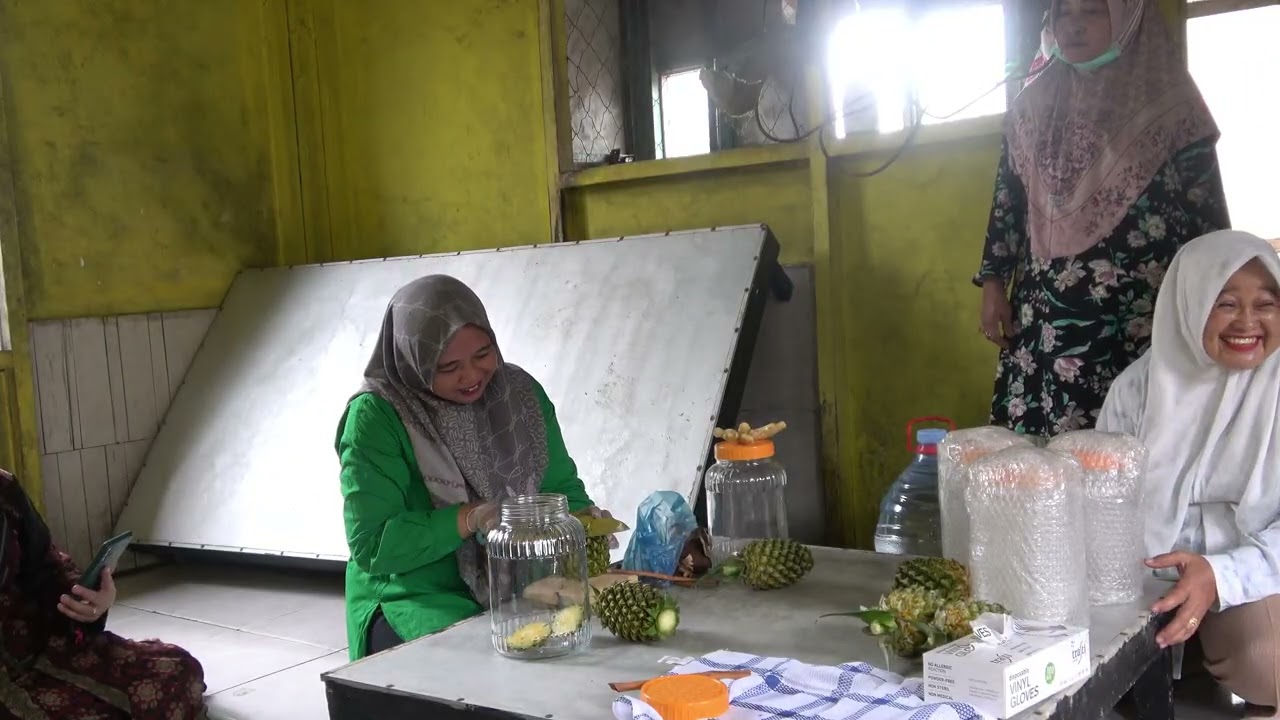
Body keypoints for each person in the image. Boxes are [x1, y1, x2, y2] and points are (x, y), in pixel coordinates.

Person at [975, 0, 1230, 438]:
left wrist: (1222, 295)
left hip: (1143, 312)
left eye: (1092, 11)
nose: (1073, 26)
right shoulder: (1029, 107)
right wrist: (994, 285)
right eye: (1064, 13)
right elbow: (1008, 203)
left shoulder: (1170, 100)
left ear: (1127, 17)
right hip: (1048, 316)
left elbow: (1207, 212)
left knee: (1142, 439)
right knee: (1056, 454)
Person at [336, 274, 612, 661]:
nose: (470, 377)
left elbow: (560, 485)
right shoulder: (376, 416)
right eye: (448, 367)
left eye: (483, 355)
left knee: (580, 646)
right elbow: (373, 544)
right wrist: (471, 517)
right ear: (412, 361)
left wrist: (583, 518)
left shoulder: (518, 394)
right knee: (486, 662)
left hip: (518, 580)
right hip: (417, 594)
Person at [1098, 230, 1280, 715]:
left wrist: (1220, 575)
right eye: (1225, 304)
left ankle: (1216, 649)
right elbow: (1102, 500)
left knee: (1268, 665)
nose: (1248, 322)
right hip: (1145, 571)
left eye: (1266, 304)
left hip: (1252, 565)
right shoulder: (1137, 388)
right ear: (1190, 301)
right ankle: (1189, 657)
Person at [0, 469, 208, 719]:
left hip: (34, 646)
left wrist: (87, 598)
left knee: (176, 674)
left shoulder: (4, 490)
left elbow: (48, 570)